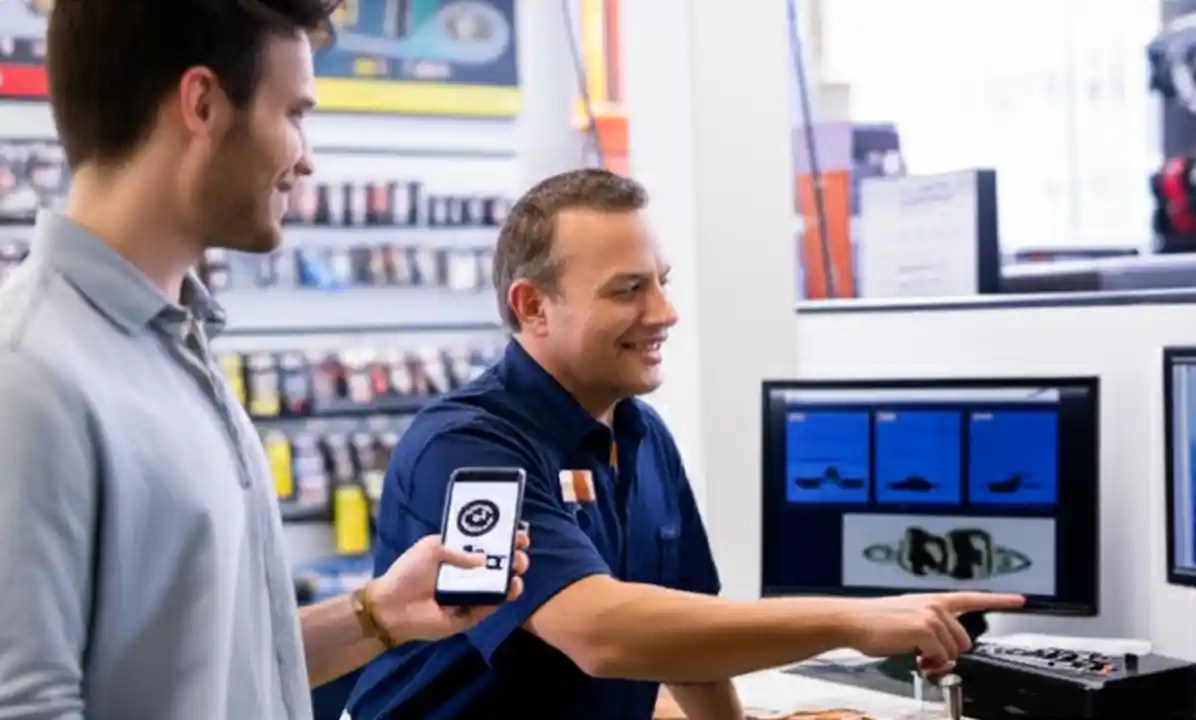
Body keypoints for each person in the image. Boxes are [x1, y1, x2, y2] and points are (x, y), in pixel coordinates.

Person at [0, 3, 527, 718]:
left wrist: (378, 615)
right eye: (296, 113)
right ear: (204, 104)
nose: (305, 157)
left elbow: (212, 672)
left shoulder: (175, 350)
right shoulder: (29, 376)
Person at [345, 168, 1026, 720]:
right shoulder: (468, 448)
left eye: (661, 282)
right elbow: (601, 632)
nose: (663, 313)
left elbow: (682, 638)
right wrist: (851, 620)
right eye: (627, 291)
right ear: (532, 306)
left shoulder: (640, 434)